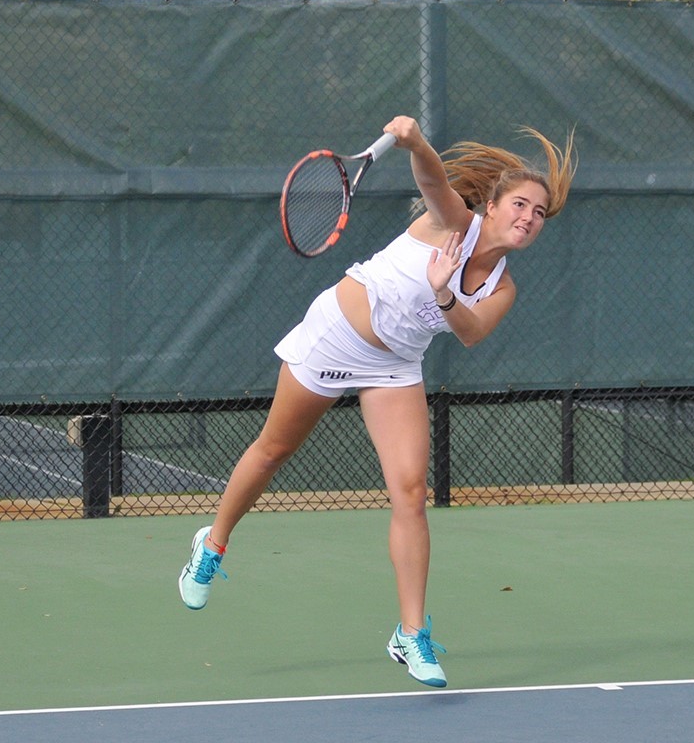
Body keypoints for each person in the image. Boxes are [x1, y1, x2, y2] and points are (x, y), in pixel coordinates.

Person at [177, 115, 576, 689]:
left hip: (395, 365)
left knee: (411, 494)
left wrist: (443, 292)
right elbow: (435, 181)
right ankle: (212, 543)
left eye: (538, 214)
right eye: (519, 204)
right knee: (272, 452)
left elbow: (467, 332)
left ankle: (410, 635)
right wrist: (415, 142)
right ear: (491, 206)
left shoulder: (504, 287)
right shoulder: (452, 224)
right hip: (335, 335)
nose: (528, 218)